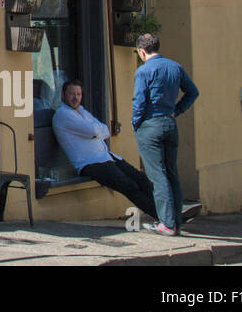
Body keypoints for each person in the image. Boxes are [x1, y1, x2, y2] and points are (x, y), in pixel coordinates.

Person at [52, 78, 159, 221]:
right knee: (129, 186)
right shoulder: (63, 115)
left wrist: (96, 131)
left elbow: (105, 130)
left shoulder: (81, 111)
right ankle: (163, 217)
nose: (75, 98)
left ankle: (167, 210)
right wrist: (96, 131)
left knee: (141, 179)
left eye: (78, 94)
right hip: (90, 163)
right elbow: (93, 131)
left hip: (107, 157)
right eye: (72, 94)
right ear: (63, 96)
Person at [132, 33, 200, 235]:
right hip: (170, 124)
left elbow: (139, 101)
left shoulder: (143, 71)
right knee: (171, 173)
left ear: (142, 52)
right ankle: (175, 221)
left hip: (150, 125)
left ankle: (167, 224)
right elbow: (193, 92)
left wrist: (136, 124)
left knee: (157, 176)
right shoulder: (174, 67)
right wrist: (176, 111)